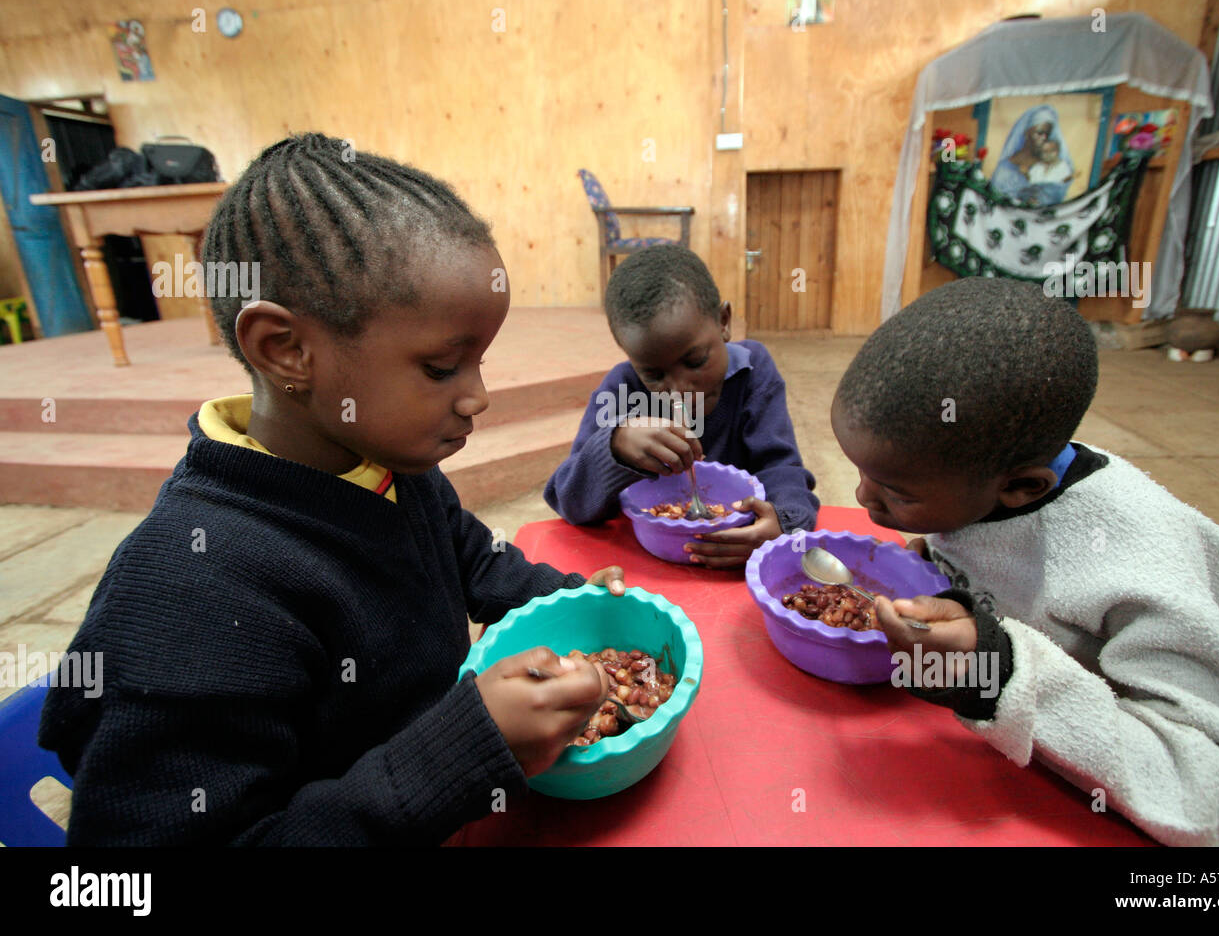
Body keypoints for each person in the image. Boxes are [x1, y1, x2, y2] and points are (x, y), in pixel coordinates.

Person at [38, 134, 624, 845]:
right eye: (443, 367)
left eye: (480, 361)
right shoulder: (193, 591)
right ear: (285, 350)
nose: (478, 398)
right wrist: (457, 755)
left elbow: (470, 556)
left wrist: (583, 611)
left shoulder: (381, 465)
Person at [831, 276, 1219, 846]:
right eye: (859, 472)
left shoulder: (1134, 563)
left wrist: (998, 671)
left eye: (896, 492)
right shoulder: (981, 468)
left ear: (1023, 488)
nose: (861, 499)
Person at [545, 244, 818, 568]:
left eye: (695, 360)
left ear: (724, 321)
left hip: (738, 566)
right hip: (646, 566)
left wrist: (784, 524)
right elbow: (568, 501)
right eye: (654, 374)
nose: (679, 389)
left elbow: (782, 469)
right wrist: (614, 447)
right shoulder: (621, 391)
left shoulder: (753, 372)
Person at [990, 105, 1073, 206]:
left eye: (1047, 134)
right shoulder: (1006, 167)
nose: (1043, 138)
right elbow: (995, 198)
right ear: (1026, 133)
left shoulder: (1052, 165)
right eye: (1039, 133)